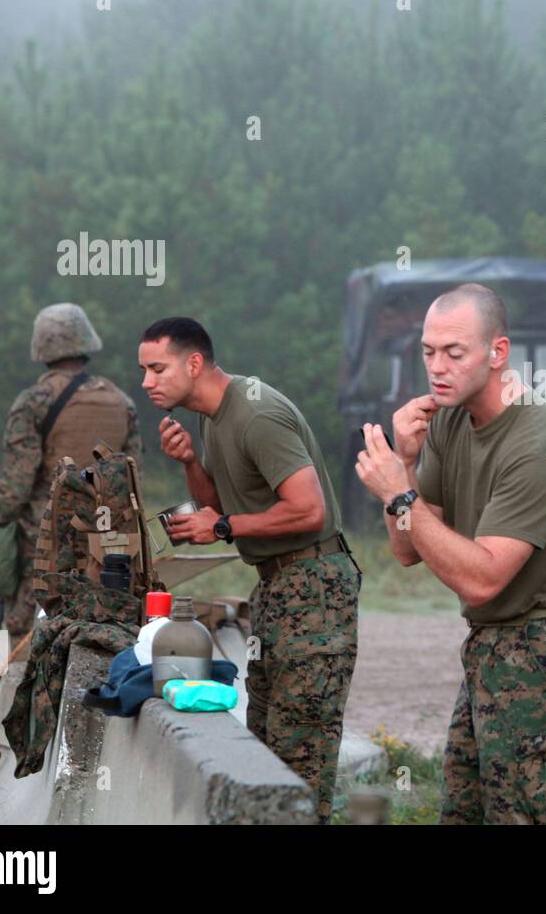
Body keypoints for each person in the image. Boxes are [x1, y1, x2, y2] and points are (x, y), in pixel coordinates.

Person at [354, 283, 546, 824]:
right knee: (465, 814)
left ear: (498, 353)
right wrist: (406, 461)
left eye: (454, 352)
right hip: (490, 651)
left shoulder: (540, 442)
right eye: (428, 352)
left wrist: (400, 491)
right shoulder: (448, 419)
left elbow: (483, 579)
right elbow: (408, 548)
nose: (437, 367)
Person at [139, 316, 359, 824]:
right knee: (265, 745)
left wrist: (222, 529)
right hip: (277, 586)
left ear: (194, 364)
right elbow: (222, 505)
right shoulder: (209, 417)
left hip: (315, 587)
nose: (147, 382)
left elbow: (310, 510)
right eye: (144, 371)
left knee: (300, 754)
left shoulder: (257, 413)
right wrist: (192, 463)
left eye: (157, 368)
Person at [0, 303, 140, 642]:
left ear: (40, 345)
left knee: (25, 634)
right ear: (87, 341)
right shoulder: (120, 402)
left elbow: (17, 483)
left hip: (48, 541)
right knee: (107, 626)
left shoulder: (33, 401)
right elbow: (132, 476)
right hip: (108, 543)